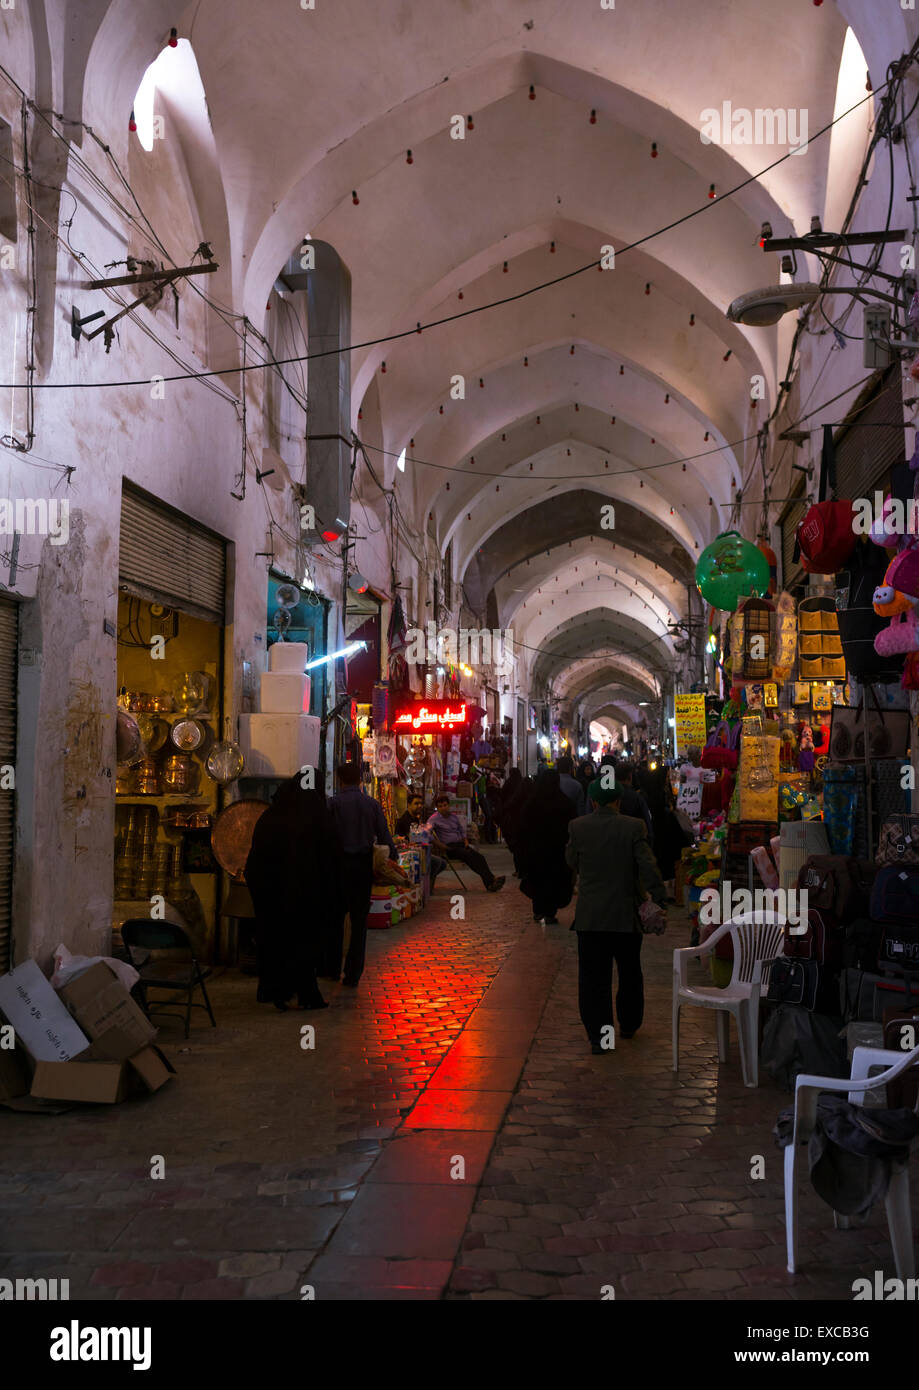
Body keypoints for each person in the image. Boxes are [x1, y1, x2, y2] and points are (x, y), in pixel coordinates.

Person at [565, 779, 667, 1053]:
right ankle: (629, 1024)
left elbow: (571, 861)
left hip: (591, 918)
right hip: (625, 915)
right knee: (630, 971)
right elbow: (648, 865)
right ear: (618, 802)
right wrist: (658, 896)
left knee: (593, 978)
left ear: (593, 802)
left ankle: (600, 1037)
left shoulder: (578, 827)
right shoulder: (634, 827)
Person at [244, 777, 343, 1011]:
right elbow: (332, 862)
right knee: (305, 945)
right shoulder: (319, 819)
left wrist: (265, 893)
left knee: (276, 943)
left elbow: (255, 863)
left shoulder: (270, 817)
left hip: (273, 899)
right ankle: (307, 994)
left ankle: (275, 991)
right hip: (307, 899)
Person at [320, 762, 398, 987]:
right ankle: (353, 973)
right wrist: (393, 858)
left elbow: (324, 837)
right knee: (359, 922)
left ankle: (332, 968)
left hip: (337, 869)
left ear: (339, 780)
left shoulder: (332, 804)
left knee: (334, 919)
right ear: (360, 780)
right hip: (362, 869)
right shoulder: (371, 805)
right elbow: (384, 835)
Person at [518, 768, 576, 924]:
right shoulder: (565, 802)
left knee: (538, 880)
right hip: (557, 851)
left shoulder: (532, 802)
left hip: (536, 850)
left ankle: (538, 910)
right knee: (554, 881)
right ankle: (550, 912)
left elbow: (523, 826)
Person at [426, 793, 505, 892]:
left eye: (445, 805)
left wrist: (466, 841)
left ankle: (490, 882)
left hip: (461, 845)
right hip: (449, 848)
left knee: (479, 857)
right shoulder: (433, 819)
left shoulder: (454, 817)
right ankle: (491, 881)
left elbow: (461, 830)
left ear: (448, 805)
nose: (443, 808)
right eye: (440, 806)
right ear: (437, 807)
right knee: (469, 856)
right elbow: (427, 833)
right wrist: (440, 845)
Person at [394, 791, 446, 889]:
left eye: (421, 803)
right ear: (408, 805)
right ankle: (426, 888)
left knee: (442, 863)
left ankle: (427, 886)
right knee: (437, 862)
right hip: (407, 853)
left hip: (419, 850)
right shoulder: (405, 820)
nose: (419, 806)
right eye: (416, 803)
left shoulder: (415, 819)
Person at [614, 762, 653, 843]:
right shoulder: (636, 797)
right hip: (634, 843)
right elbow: (647, 824)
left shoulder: (609, 795)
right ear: (630, 777)